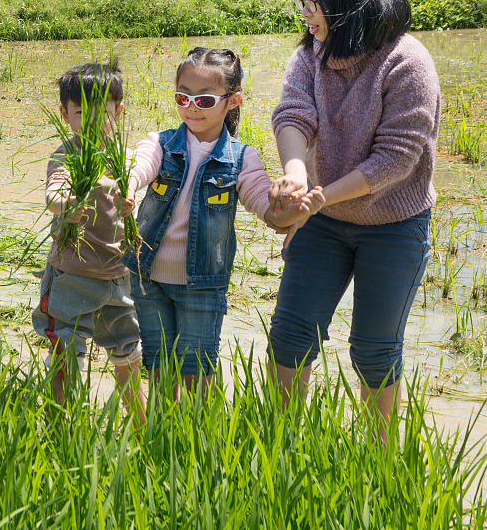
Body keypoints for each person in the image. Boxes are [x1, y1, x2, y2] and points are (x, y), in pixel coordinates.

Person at [269, 0, 439, 439]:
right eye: (301, 0)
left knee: (373, 347)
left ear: (346, 0)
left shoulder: (406, 61)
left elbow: (397, 158)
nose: (305, 13)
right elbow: (292, 113)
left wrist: (321, 196)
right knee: (291, 334)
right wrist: (297, 172)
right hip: (324, 221)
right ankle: (280, 443)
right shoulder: (311, 54)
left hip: (393, 224)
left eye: (312, 1)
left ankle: (378, 457)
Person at [123, 48, 321, 396]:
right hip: (146, 276)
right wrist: (127, 184)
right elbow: (141, 165)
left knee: (197, 371)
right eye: (183, 98)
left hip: (203, 284)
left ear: (233, 101)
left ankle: (203, 440)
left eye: (204, 100)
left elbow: (268, 209)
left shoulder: (241, 158)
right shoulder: (161, 143)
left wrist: (298, 210)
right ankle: (163, 443)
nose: (191, 108)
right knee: (157, 368)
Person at [33, 62, 145, 422]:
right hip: (72, 276)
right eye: (81, 112)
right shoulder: (66, 155)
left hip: (118, 275)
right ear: (65, 115)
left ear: (119, 111)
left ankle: (144, 426)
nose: (93, 121)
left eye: (103, 112)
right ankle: (61, 426)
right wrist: (68, 204)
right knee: (66, 351)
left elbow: (131, 204)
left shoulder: (124, 158)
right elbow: (54, 192)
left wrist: (130, 207)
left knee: (129, 350)